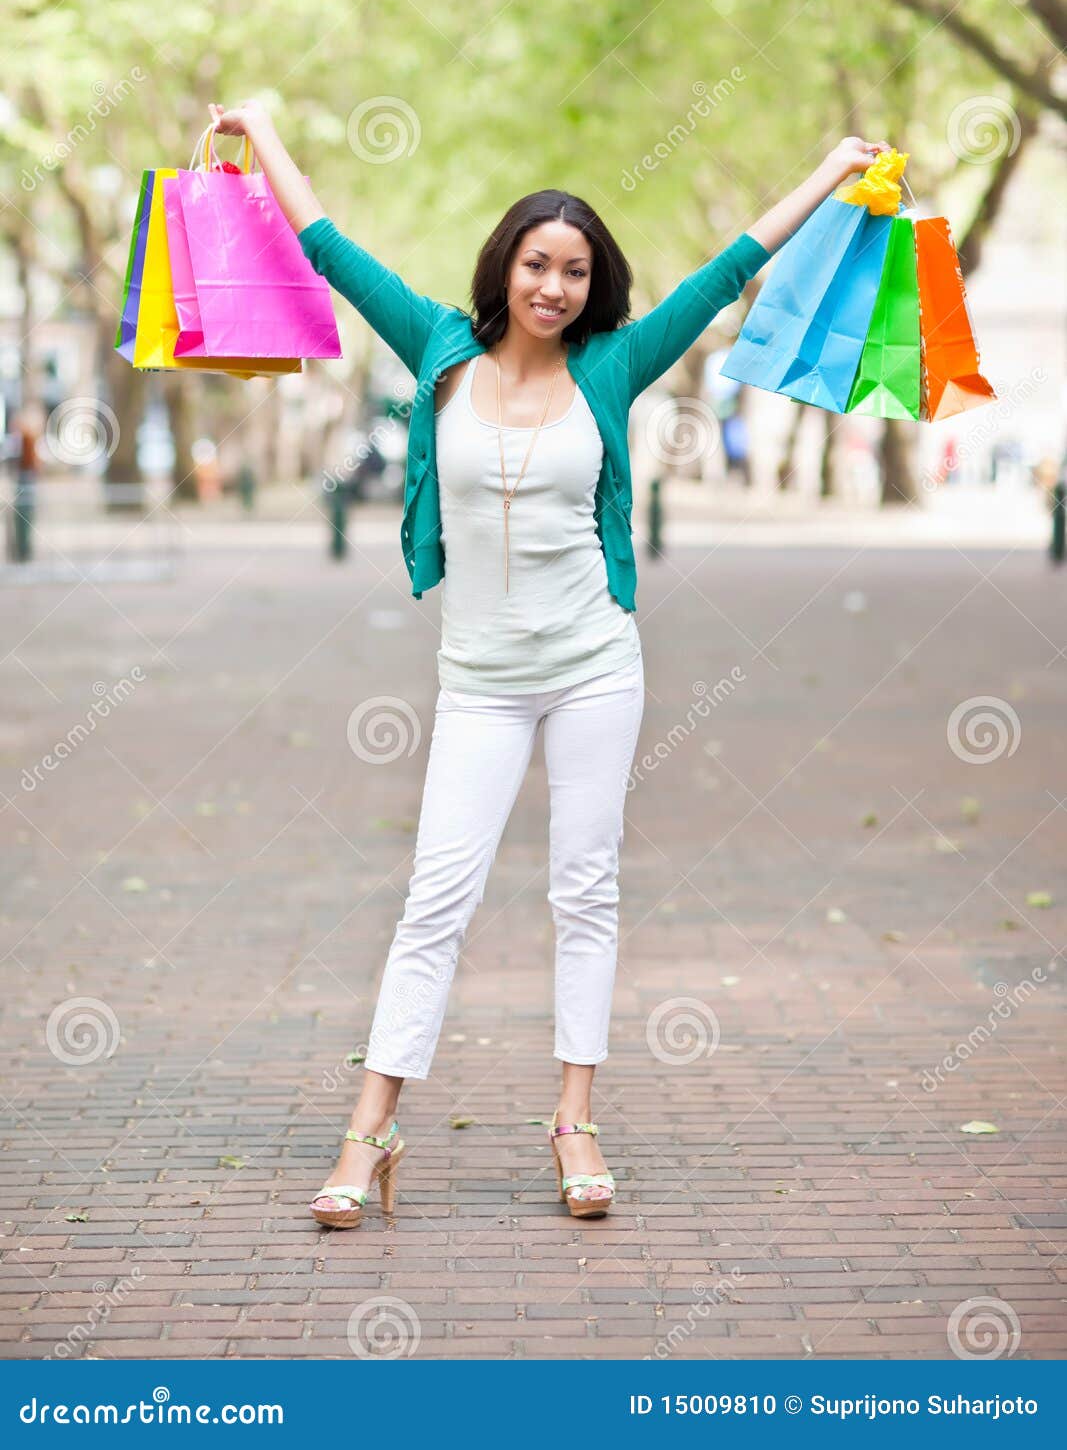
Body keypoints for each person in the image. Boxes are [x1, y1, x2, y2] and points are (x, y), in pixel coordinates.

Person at [208, 99, 888, 1229]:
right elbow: (323, 242)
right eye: (537, 263)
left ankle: (573, 1119)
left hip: (592, 667)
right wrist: (265, 130)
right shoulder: (435, 345)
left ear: (592, 285)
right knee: (436, 895)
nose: (554, 286)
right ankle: (367, 1130)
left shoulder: (613, 364)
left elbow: (727, 273)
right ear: (505, 266)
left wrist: (828, 168)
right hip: (477, 677)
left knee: (585, 889)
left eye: (575, 270)